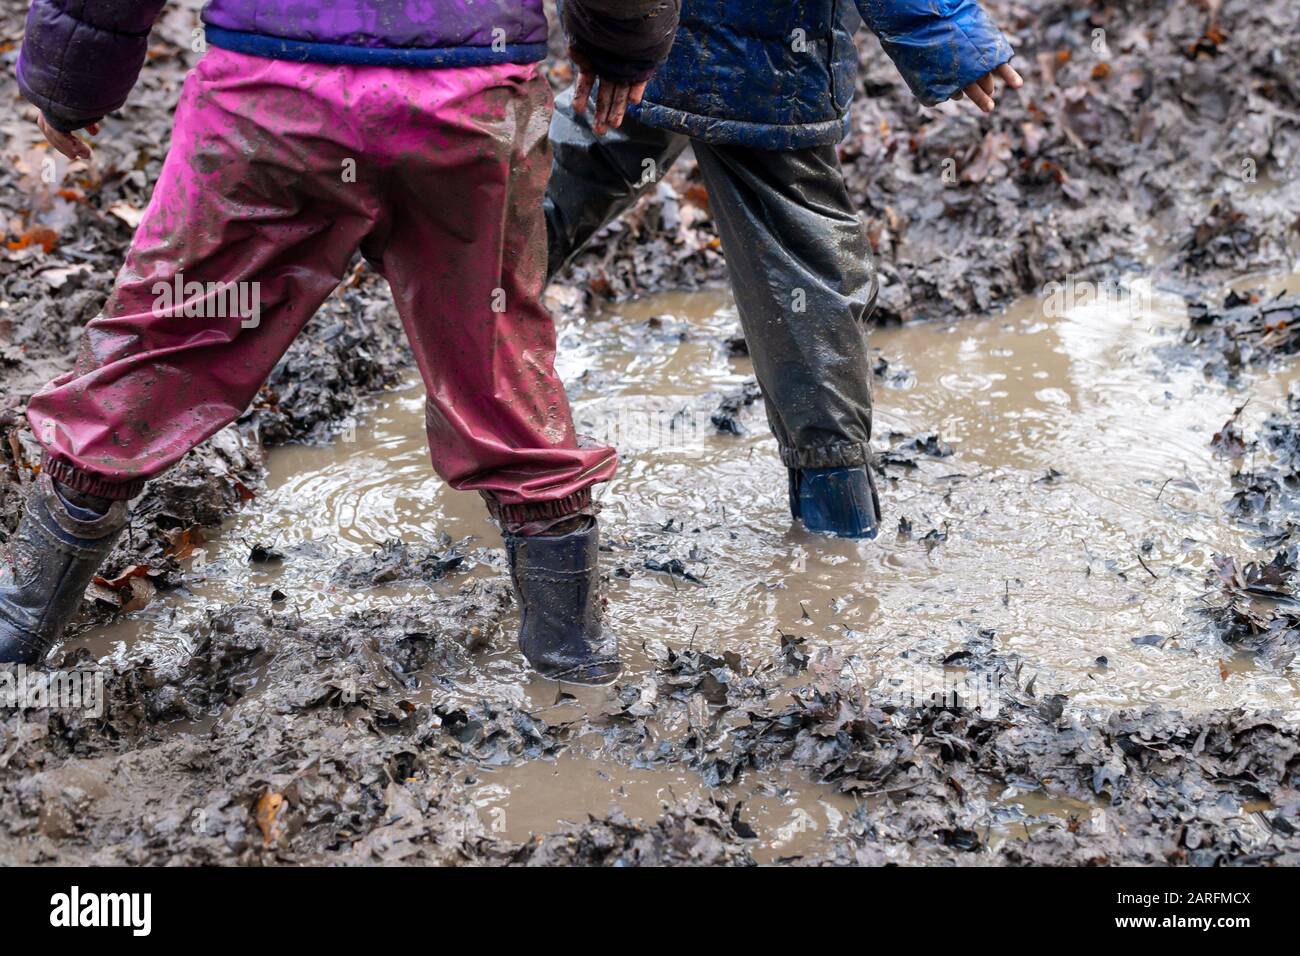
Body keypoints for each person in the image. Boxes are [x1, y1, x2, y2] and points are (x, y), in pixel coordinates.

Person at [0, 0, 681, 684]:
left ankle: (19, 626)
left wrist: (71, 83)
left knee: (164, 341)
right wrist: (621, 47)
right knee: (500, 362)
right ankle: (573, 663)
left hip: (271, 94)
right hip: (471, 100)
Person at [545, 0, 1023, 539]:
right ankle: (838, 530)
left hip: (643, 38)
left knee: (535, 200)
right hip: (763, 55)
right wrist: (944, 28)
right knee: (801, 268)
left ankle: (463, 353)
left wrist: (611, 31)